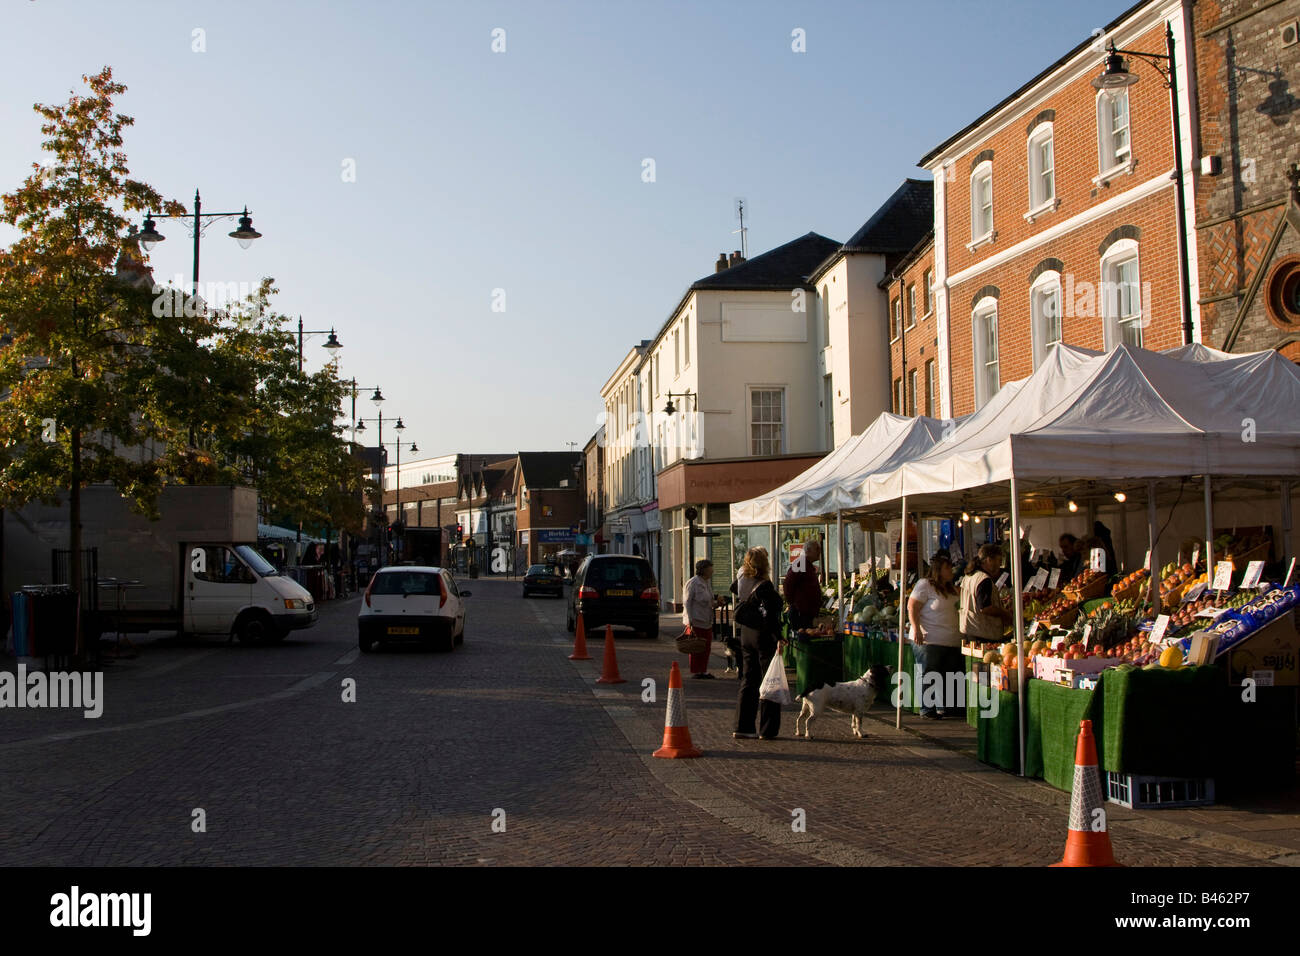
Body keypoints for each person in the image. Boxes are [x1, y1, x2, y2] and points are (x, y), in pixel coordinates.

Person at [733, 547, 785, 739]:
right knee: (770, 680)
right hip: (763, 635)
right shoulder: (765, 585)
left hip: (746, 633)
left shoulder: (742, 580)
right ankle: (767, 728)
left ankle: (742, 726)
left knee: (749, 679)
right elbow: (771, 615)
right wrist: (779, 635)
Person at [908, 554, 962, 719]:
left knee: (950, 674)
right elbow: (912, 607)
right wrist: (916, 628)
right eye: (947, 567)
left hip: (952, 640)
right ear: (938, 570)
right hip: (929, 639)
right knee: (929, 673)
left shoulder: (952, 588)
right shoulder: (924, 585)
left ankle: (948, 707)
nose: (951, 570)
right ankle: (927, 708)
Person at [959, 543, 1013, 644]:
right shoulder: (984, 579)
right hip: (983, 633)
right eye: (998, 561)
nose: (999, 565)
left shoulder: (969, 577)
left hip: (970, 631)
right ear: (989, 560)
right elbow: (985, 607)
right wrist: (1004, 613)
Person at [681, 559, 716, 679]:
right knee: (696, 646)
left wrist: (716, 603)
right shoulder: (693, 583)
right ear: (704, 570)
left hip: (706, 619)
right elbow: (687, 602)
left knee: (706, 647)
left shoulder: (706, 583)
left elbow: (709, 601)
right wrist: (689, 619)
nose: (712, 571)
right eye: (710, 568)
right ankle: (696, 671)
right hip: (696, 619)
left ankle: (704, 670)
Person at [782, 540, 823, 632]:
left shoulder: (806, 565)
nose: (819, 552)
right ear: (808, 551)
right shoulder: (801, 564)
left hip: (805, 612)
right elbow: (788, 584)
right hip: (800, 613)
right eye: (816, 549)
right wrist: (795, 604)